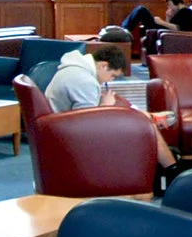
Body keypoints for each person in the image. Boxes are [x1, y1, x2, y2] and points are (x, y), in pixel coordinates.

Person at [45, 41, 182, 174]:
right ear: (103, 65)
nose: (111, 80)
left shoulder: (76, 69)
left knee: (117, 100)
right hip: (69, 133)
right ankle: (171, 169)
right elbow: (86, 123)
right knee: (147, 127)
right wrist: (106, 105)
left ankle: (145, 116)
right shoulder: (84, 80)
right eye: (112, 76)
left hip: (62, 124)